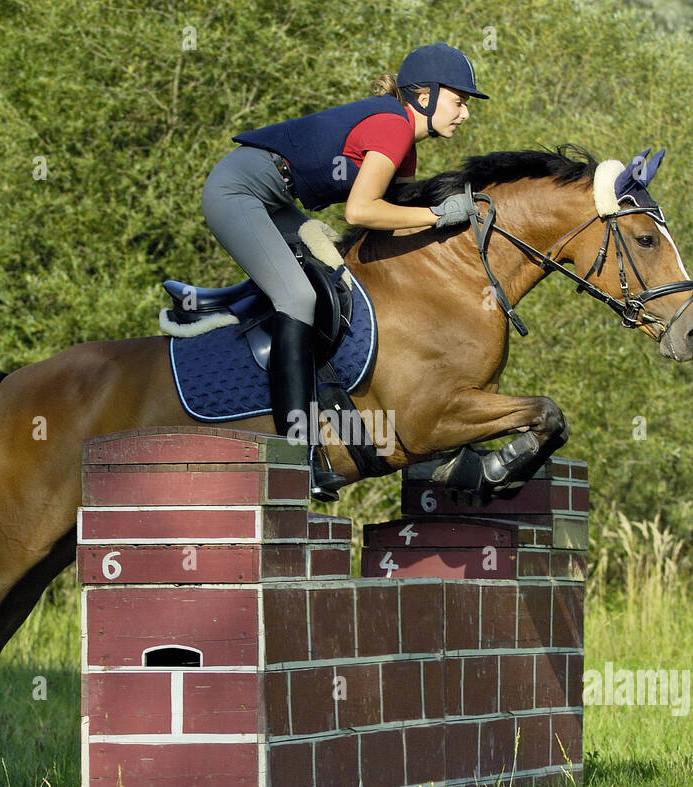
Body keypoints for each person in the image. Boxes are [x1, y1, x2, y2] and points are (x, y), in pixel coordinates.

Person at [200, 42, 489, 501]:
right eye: (459, 101)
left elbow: (395, 231)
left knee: (335, 280)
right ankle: (297, 457)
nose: (465, 114)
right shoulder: (393, 128)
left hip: (275, 199)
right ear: (425, 96)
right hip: (240, 191)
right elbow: (360, 211)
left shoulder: (405, 148)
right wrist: (439, 216)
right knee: (297, 298)